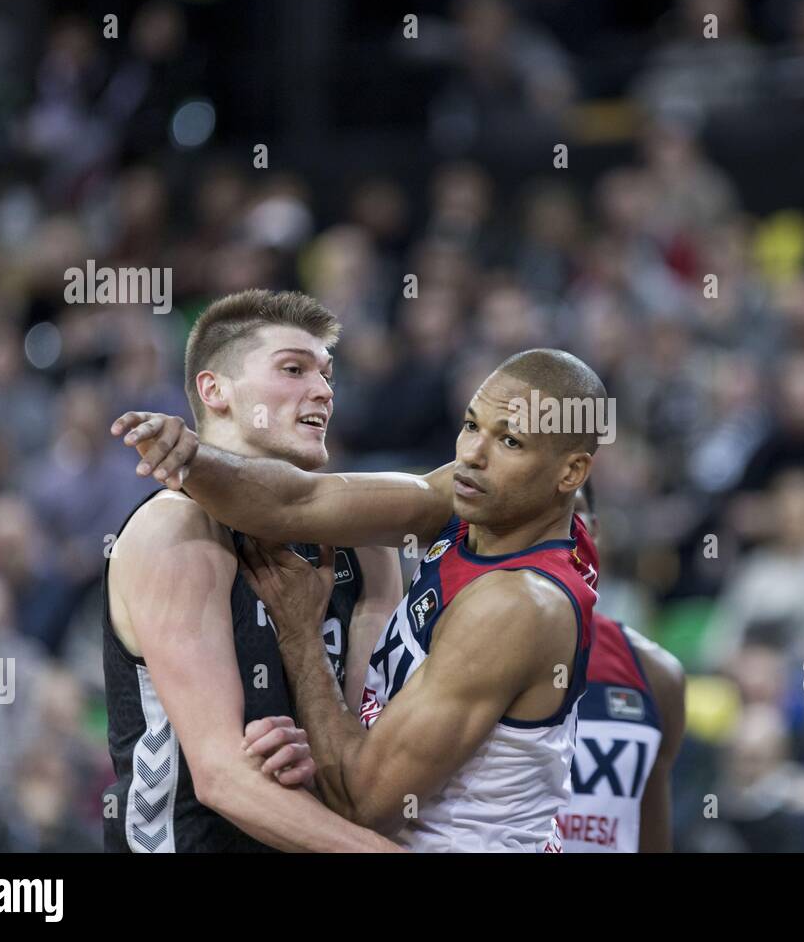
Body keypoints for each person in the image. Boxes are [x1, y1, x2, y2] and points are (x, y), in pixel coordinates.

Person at [112, 345, 606, 851]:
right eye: (471, 425)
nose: (473, 455)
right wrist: (193, 457)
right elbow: (296, 502)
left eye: (510, 441)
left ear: (571, 473)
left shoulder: (516, 604)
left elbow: (364, 803)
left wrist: (301, 638)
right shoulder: (478, 503)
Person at [103, 290, 401, 852]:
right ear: (214, 390)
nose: (324, 391)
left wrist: (318, 761)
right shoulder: (177, 528)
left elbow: (368, 767)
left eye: (327, 374)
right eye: (294, 369)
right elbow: (222, 778)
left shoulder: (365, 545)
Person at [556, 483, 685, 852]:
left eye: (572, 511)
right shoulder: (457, 656)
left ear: (595, 529)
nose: (557, 526)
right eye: (539, 511)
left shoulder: (658, 675)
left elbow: (652, 840)